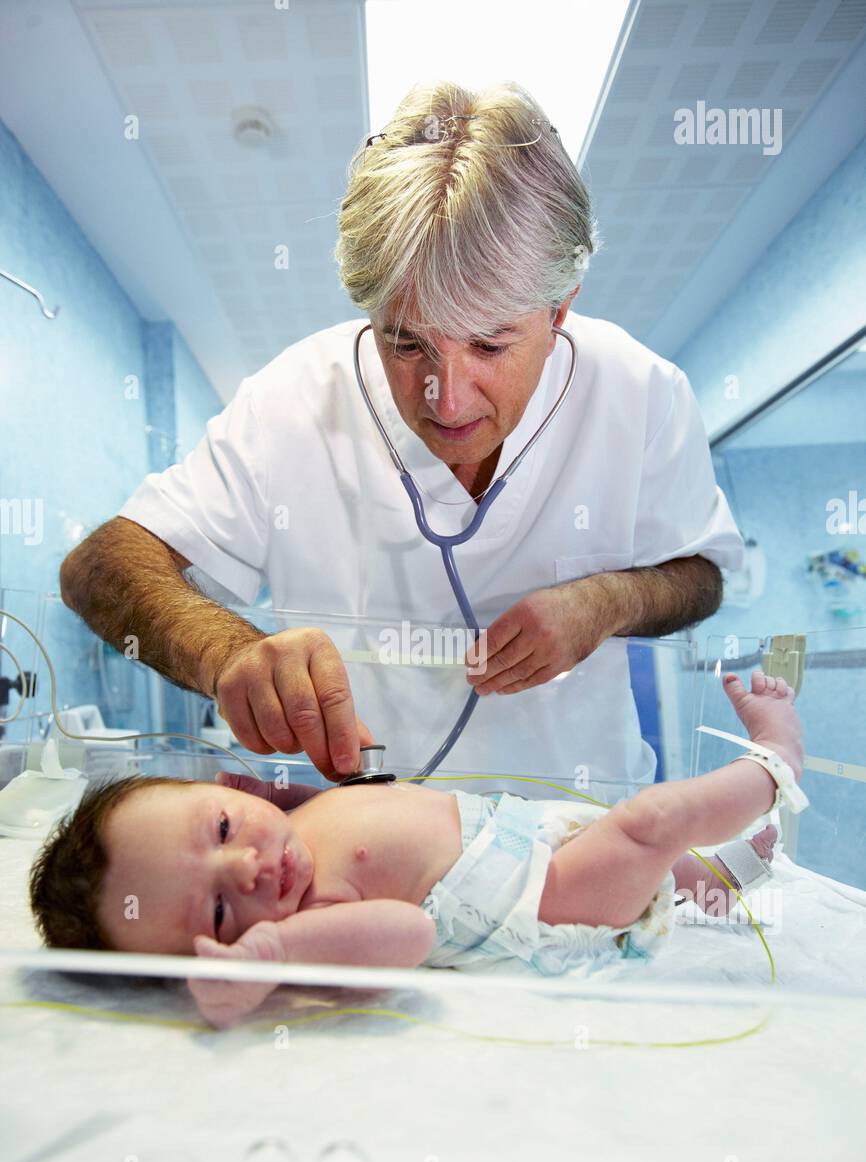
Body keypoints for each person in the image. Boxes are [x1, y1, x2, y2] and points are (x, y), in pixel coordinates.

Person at [58, 80, 744, 797]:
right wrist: (228, 653)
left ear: (559, 309)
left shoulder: (639, 391)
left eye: (488, 344)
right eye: (405, 342)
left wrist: (608, 602)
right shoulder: (295, 397)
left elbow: (700, 575)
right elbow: (98, 566)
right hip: (362, 843)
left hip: (574, 831)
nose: (446, 399)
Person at [29, 672, 799, 1028]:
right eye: (224, 909)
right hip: (553, 900)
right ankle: (775, 765)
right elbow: (412, 935)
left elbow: (364, 807)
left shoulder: (293, 826)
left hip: (531, 838)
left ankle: (712, 881)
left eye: (223, 829)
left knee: (654, 854)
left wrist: (288, 798)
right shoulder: (315, 918)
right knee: (650, 821)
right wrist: (277, 953)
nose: (252, 866)